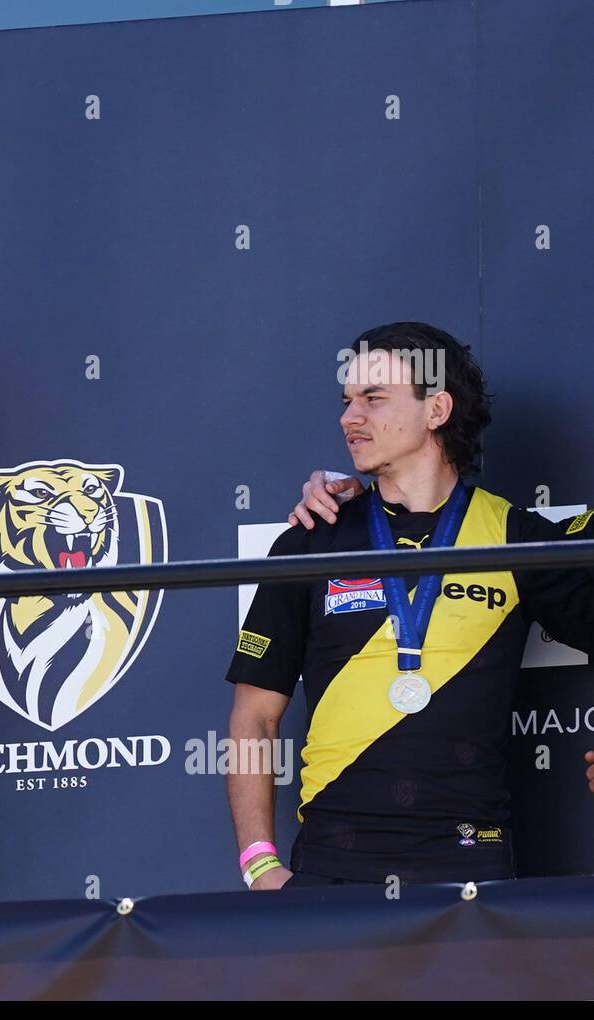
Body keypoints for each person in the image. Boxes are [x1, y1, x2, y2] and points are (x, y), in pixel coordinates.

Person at [226, 321, 594, 890]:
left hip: (468, 862)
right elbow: (255, 714)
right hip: (330, 863)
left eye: (374, 399)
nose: (350, 417)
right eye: (348, 401)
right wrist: (258, 862)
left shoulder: (514, 536)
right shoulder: (311, 536)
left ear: (437, 409)